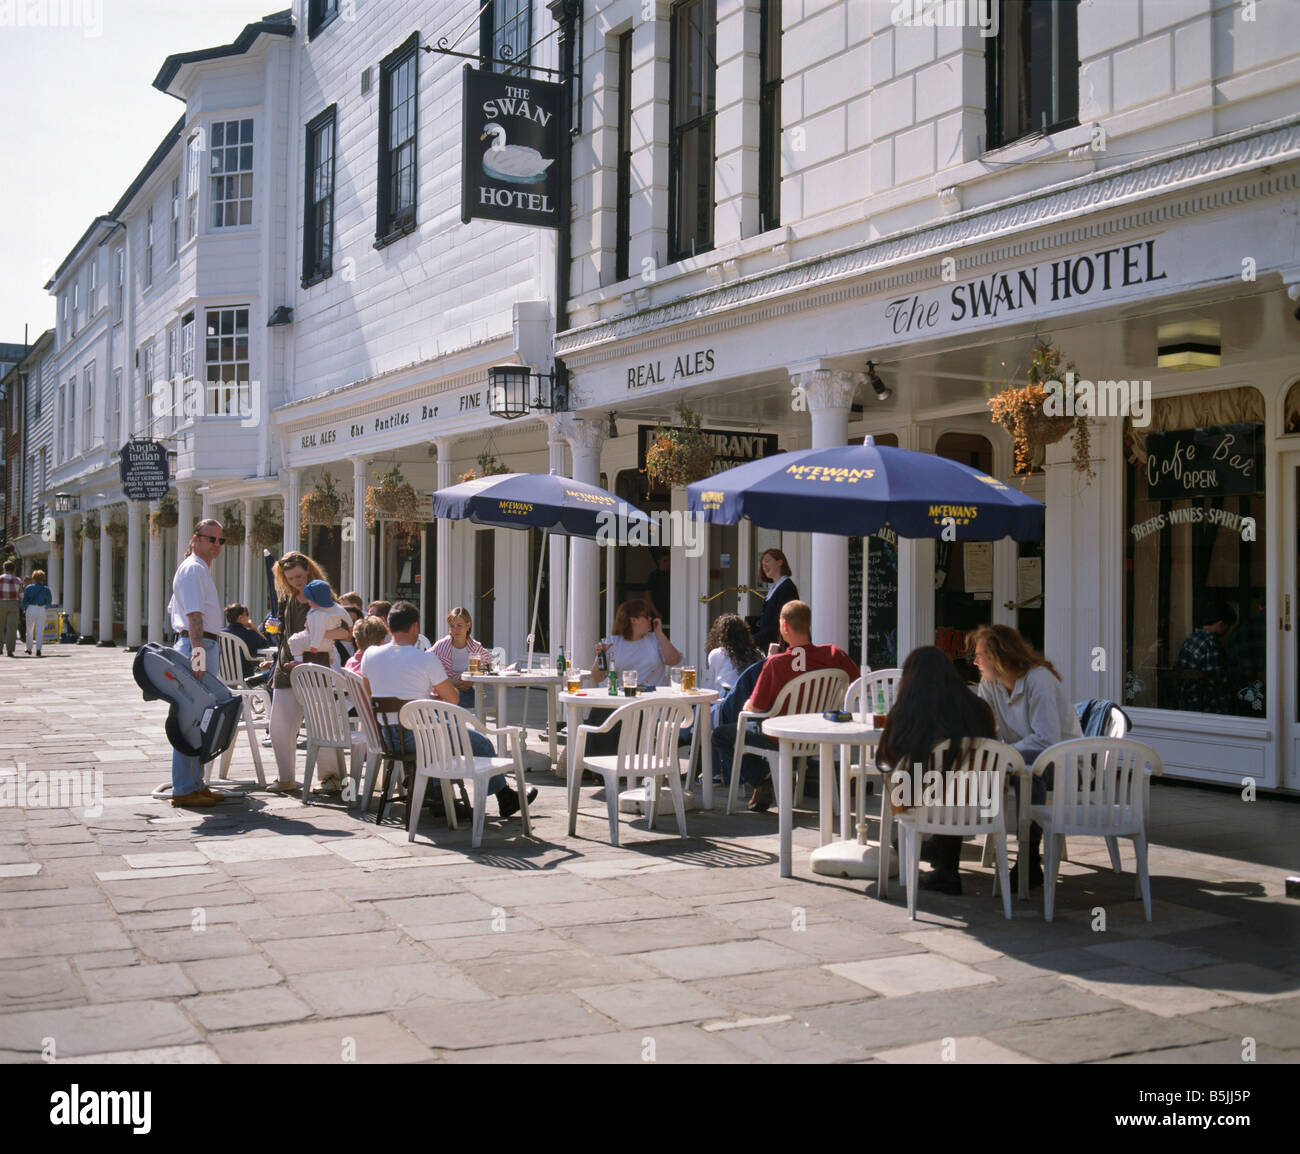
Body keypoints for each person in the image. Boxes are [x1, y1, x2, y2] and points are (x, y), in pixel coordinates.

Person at [360, 601, 535, 818]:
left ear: (388, 628)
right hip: (419, 739)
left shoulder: (369, 655)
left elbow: (370, 693)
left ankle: (437, 793)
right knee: (480, 743)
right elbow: (453, 698)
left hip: (387, 738)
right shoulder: (425, 659)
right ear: (415, 627)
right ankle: (503, 797)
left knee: (440, 734)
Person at [712, 600, 859, 811]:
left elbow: (757, 709)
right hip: (817, 734)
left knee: (721, 735)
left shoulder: (776, 663)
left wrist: (747, 705)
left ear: (785, 626)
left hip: (780, 737)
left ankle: (762, 781)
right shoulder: (835, 654)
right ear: (808, 625)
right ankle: (771, 778)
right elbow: (858, 684)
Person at [876, 647, 997, 895]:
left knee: (919, 780)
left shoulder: (907, 713)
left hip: (922, 803)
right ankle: (945, 866)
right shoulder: (979, 707)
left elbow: (889, 758)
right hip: (980, 801)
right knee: (952, 781)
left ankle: (938, 859)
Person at [970, 624, 1083, 889]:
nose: (975, 661)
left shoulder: (1038, 679)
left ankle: (1030, 857)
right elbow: (989, 733)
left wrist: (1003, 755)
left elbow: (1046, 739)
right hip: (1017, 757)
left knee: (1030, 771)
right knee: (971, 764)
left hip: (1065, 761)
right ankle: (941, 840)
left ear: (999, 656)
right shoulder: (990, 685)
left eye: (980, 655)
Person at [266, 551, 354, 794]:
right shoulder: (286, 598)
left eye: (300, 576)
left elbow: (347, 632)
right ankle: (286, 777)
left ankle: (332, 778)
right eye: (291, 578)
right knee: (279, 726)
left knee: (321, 724)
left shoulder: (323, 595)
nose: (296, 582)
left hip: (317, 666)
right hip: (287, 666)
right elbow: (285, 632)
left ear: (309, 572)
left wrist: (317, 635)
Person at [165, 519, 233, 808]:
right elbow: (193, 616)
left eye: (220, 540)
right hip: (199, 643)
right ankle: (183, 787)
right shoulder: (193, 568)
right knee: (191, 719)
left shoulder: (198, 569)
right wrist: (197, 653)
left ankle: (195, 783)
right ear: (196, 539)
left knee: (201, 718)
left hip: (203, 643)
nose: (216, 545)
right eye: (211, 539)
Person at [592, 598, 681, 687]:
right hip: (623, 697)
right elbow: (597, 678)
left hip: (654, 697)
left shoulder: (655, 639)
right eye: (646, 616)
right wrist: (601, 656)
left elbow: (674, 661)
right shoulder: (613, 642)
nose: (650, 618)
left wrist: (660, 633)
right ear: (633, 620)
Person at [1175, 600, 1237, 714]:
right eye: (1228, 627)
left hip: (1187, 704)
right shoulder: (1211, 644)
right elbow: (1218, 681)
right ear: (1220, 624)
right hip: (1207, 707)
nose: (1228, 632)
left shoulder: (1190, 639)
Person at [432, 606, 492, 710]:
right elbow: (426, 666)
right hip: (446, 689)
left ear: (468, 626)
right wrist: (448, 681)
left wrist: (472, 680)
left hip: (469, 691)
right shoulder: (441, 646)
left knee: (468, 697)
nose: (455, 630)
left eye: (459, 625)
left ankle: (453, 721)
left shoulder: (476, 648)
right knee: (451, 699)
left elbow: (488, 666)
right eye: (452, 626)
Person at [286, 580, 351, 669]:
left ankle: (298, 661)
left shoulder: (319, 613)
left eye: (309, 599)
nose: (308, 601)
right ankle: (331, 658)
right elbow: (345, 615)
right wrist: (351, 625)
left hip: (315, 644)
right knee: (330, 644)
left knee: (293, 640)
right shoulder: (336, 608)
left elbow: (319, 631)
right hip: (328, 646)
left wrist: (314, 645)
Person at [749, 548, 798, 650]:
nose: (764, 566)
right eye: (762, 563)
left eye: (767, 561)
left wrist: (753, 640)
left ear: (779, 562)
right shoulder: (773, 588)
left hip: (781, 646)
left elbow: (779, 622)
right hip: (769, 643)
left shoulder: (786, 588)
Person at [705, 612, 762, 693]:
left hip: (725, 701)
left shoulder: (717, 654)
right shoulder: (756, 653)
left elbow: (712, 686)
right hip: (749, 700)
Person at [222, 603, 273, 683]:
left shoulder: (221, 634)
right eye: (247, 615)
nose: (248, 617)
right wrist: (254, 629)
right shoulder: (248, 633)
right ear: (240, 617)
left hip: (223, 675)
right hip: (244, 675)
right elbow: (266, 644)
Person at [21, 569, 53, 657]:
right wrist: (45, 607)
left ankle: (29, 648)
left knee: (29, 629)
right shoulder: (46, 589)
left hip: (31, 608)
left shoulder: (29, 588)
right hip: (41, 608)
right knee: (40, 630)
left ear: (33, 578)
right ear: (43, 578)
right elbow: (49, 601)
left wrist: (26, 607)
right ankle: (38, 649)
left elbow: (24, 600)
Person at [0, 559, 22, 658]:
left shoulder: (0, 578)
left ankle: (0, 648)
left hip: (1, 603)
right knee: (11, 628)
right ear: (14, 569)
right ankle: (10, 650)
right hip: (13, 604)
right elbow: (22, 595)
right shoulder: (18, 580)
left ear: (4, 569)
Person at [646, 551, 671, 626]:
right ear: (659, 561)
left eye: (669, 560)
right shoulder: (654, 576)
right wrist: (656, 612)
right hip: (658, 611)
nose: (668, 563)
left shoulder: (673, 575)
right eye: (665, 561)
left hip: (671, 610)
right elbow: (648, 596)